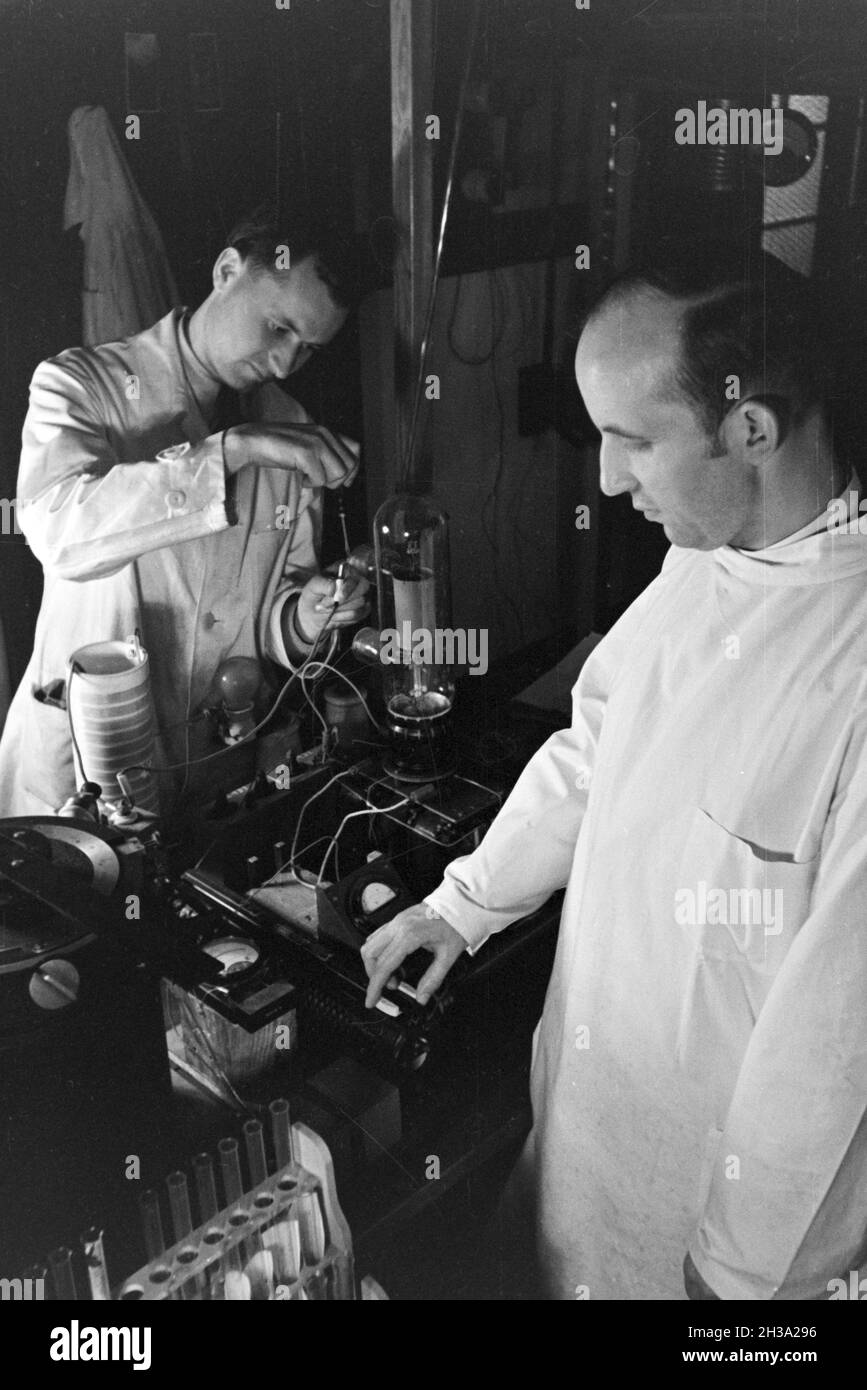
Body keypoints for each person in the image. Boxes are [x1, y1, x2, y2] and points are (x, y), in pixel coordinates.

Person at [362, 247, 867, 1300]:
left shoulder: (848, 669)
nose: (603, 478)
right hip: (587, 1135)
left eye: (631, 440)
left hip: (710, 1237)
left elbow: (829, 1051)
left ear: (753, 430)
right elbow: (595, 748)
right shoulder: (704, 556)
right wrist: (465, 903)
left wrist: (729, 1277)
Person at [0, 206, 369, 815]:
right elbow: (58, 533)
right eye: (278, 328)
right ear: (227, 271)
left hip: (212, 770)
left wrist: (306, 616)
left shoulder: (291, 426)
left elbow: (272, 609)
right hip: (82, 773)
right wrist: (231, 451)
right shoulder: (81, 385)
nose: (283, 364)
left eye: (307, 350)